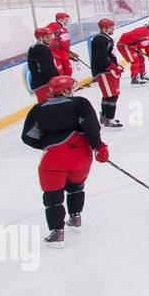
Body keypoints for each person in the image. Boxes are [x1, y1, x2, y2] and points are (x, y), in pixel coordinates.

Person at [20, 75, 108, 248]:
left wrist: (48, 145)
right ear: (67, 90)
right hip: (81, 156)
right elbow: (91, 126)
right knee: (76, 187)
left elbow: (28, 137)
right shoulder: (80, 103)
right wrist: (99, 146)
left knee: (53, 195)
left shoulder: (38, 110)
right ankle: (76, 218)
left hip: (54, 159)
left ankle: (57, 233)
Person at [90, 17, 124, 129]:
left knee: (110, 94)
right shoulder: (100, 40)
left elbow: (109, 55)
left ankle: (106, 116)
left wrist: (116, 65)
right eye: (111, 27)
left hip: (107, 71)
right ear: (105, 29)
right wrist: (111, 67)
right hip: (103, 72)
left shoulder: (105, 38)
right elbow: (100, 58)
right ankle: (109, 118)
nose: (113, 29)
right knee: (111, 95)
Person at [118, 18, 149, 85]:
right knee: (135, 60)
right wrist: (132, 44)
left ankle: (142, 75)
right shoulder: (143, 30)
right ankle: (134, 78)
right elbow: (128, 36)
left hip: (133, 47)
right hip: (124, 45)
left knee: (141, 59)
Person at [27, 26, 61, 104]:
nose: (50, 38)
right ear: (40, 38)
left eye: (51, 36)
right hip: (45, 84)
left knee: (44, 108)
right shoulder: (43, 49)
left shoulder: (33, 48)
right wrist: (58, 78)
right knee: (54, 106)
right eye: (47, 37)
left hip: (37, 85)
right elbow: (48, 67)